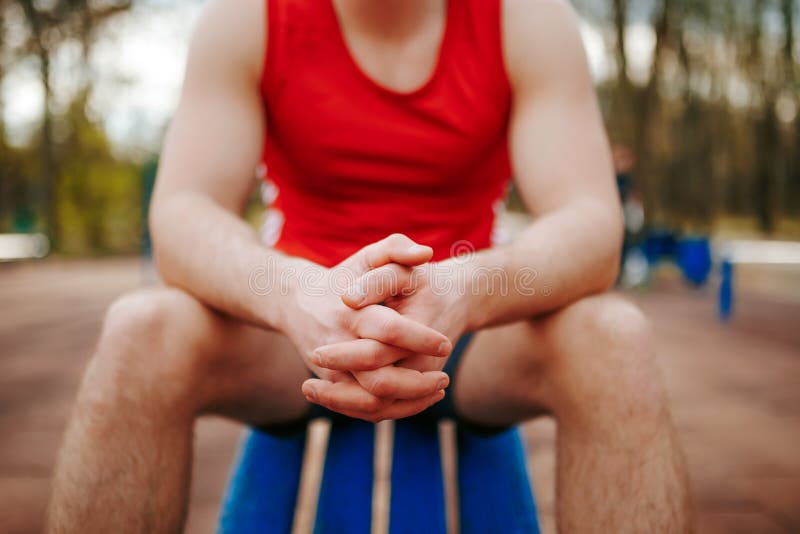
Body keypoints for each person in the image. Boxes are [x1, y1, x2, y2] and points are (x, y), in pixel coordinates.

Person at [46, 0, 691, 532]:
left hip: (465, 334)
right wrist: (298, 295)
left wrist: (460, 289)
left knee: (615, 340)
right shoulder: (247, 17)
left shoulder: (529, 18)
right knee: (140, 331)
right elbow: (182, 211)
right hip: (296, 330)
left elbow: (592, 221)